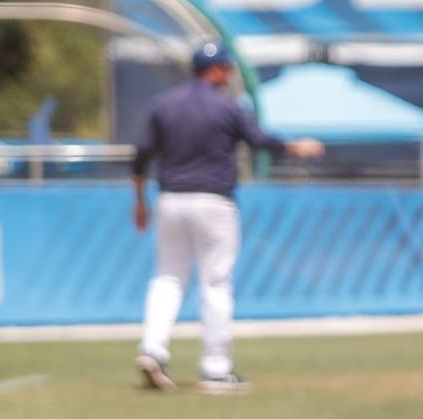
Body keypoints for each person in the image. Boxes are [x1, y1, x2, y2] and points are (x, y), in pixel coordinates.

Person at [131, 41, 324, 393]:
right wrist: (295, 146)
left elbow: (141, 154)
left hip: (171, 199)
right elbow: (259, 140)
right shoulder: (227, 105)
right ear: (217, 69)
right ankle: (216, 369)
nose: (230, 73)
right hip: (213, 201)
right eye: (227, 67)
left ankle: (153, 349)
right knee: (215, 283)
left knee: (167, 278)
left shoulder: (164, 104)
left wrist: (139, 200)